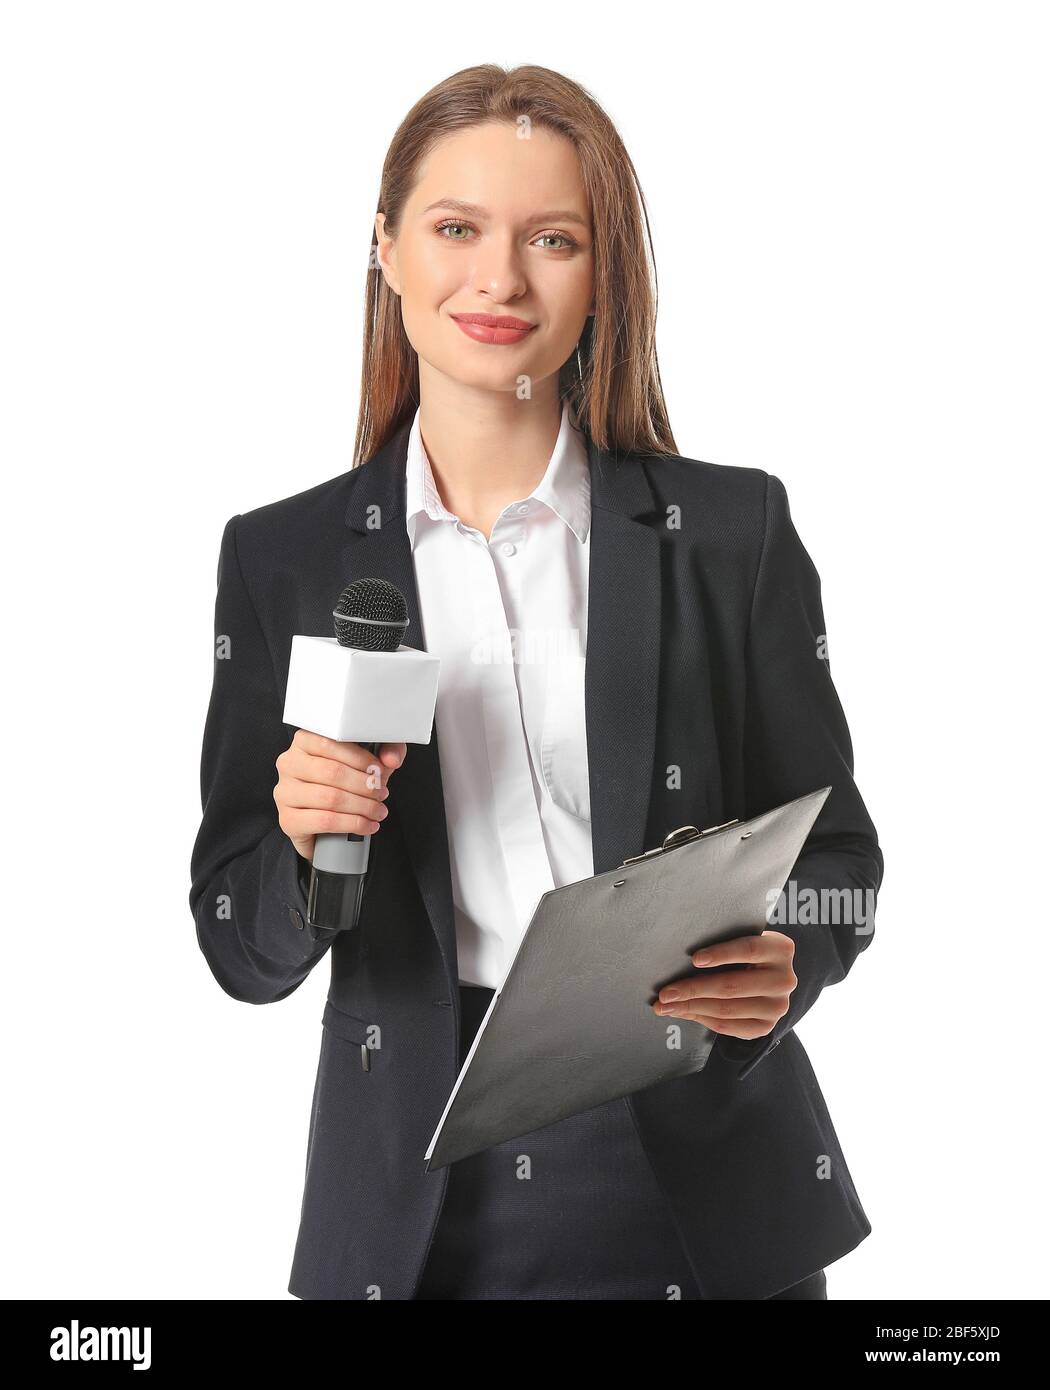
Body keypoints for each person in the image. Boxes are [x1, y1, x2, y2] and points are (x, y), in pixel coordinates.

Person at [190, 63, 883, 1301]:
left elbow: (842, 867)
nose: (500, 279)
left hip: (700, 1174)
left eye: (551, 239)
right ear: (387, 251)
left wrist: (789, 960)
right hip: (420, 1200)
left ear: (603, 271)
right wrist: (306, 849)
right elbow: (237, 947)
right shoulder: (282, 558)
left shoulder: (735, 533)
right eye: (456, 229)